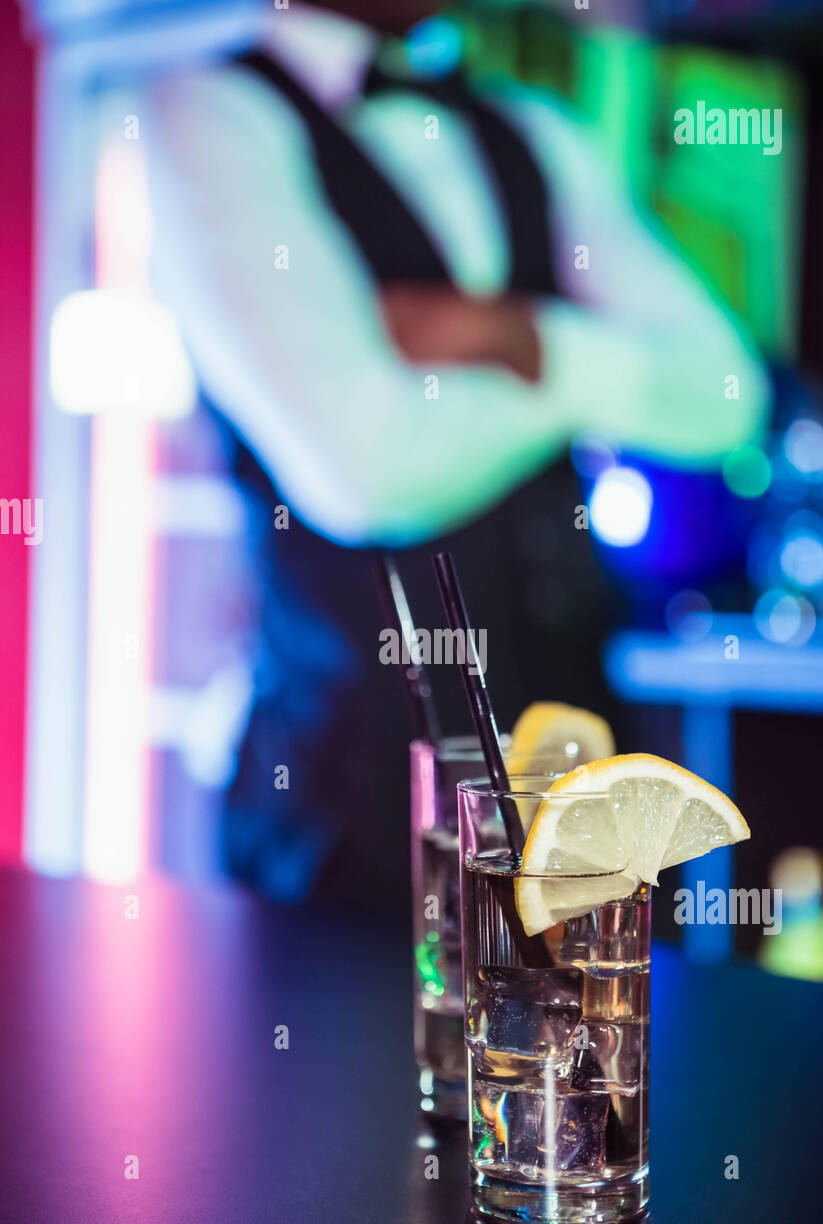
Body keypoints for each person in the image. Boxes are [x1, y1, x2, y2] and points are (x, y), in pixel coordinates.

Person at [145, 0, 769, 907]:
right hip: (348, 812)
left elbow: (726, 397)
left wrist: (517, 340)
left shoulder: (538, 134)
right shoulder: (209, 114)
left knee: (598, 1046)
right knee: (349, 1049)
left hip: (579, 787)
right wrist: (582, 372)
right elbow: (363, 475)